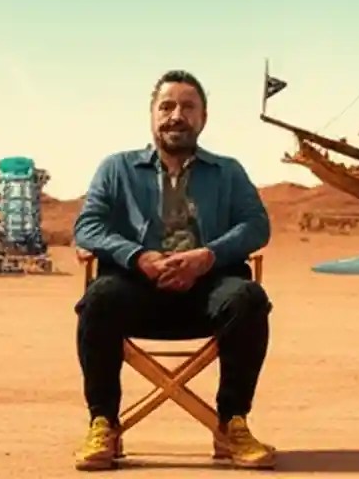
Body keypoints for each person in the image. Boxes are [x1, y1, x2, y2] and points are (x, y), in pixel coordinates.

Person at [72, 70, 275, 471]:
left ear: (203, 117)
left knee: (249, 299)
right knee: (98, 299)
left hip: (209, 292)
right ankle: (103, 423)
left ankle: (232, 424)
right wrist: (138, 256)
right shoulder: (116, 169)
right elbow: (87, 226)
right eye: (166, 106)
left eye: (187, 106)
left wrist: (207, 257)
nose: (176, 115)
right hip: (136, 290)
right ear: (152, 115)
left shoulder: (228, 172)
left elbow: (257, 225)